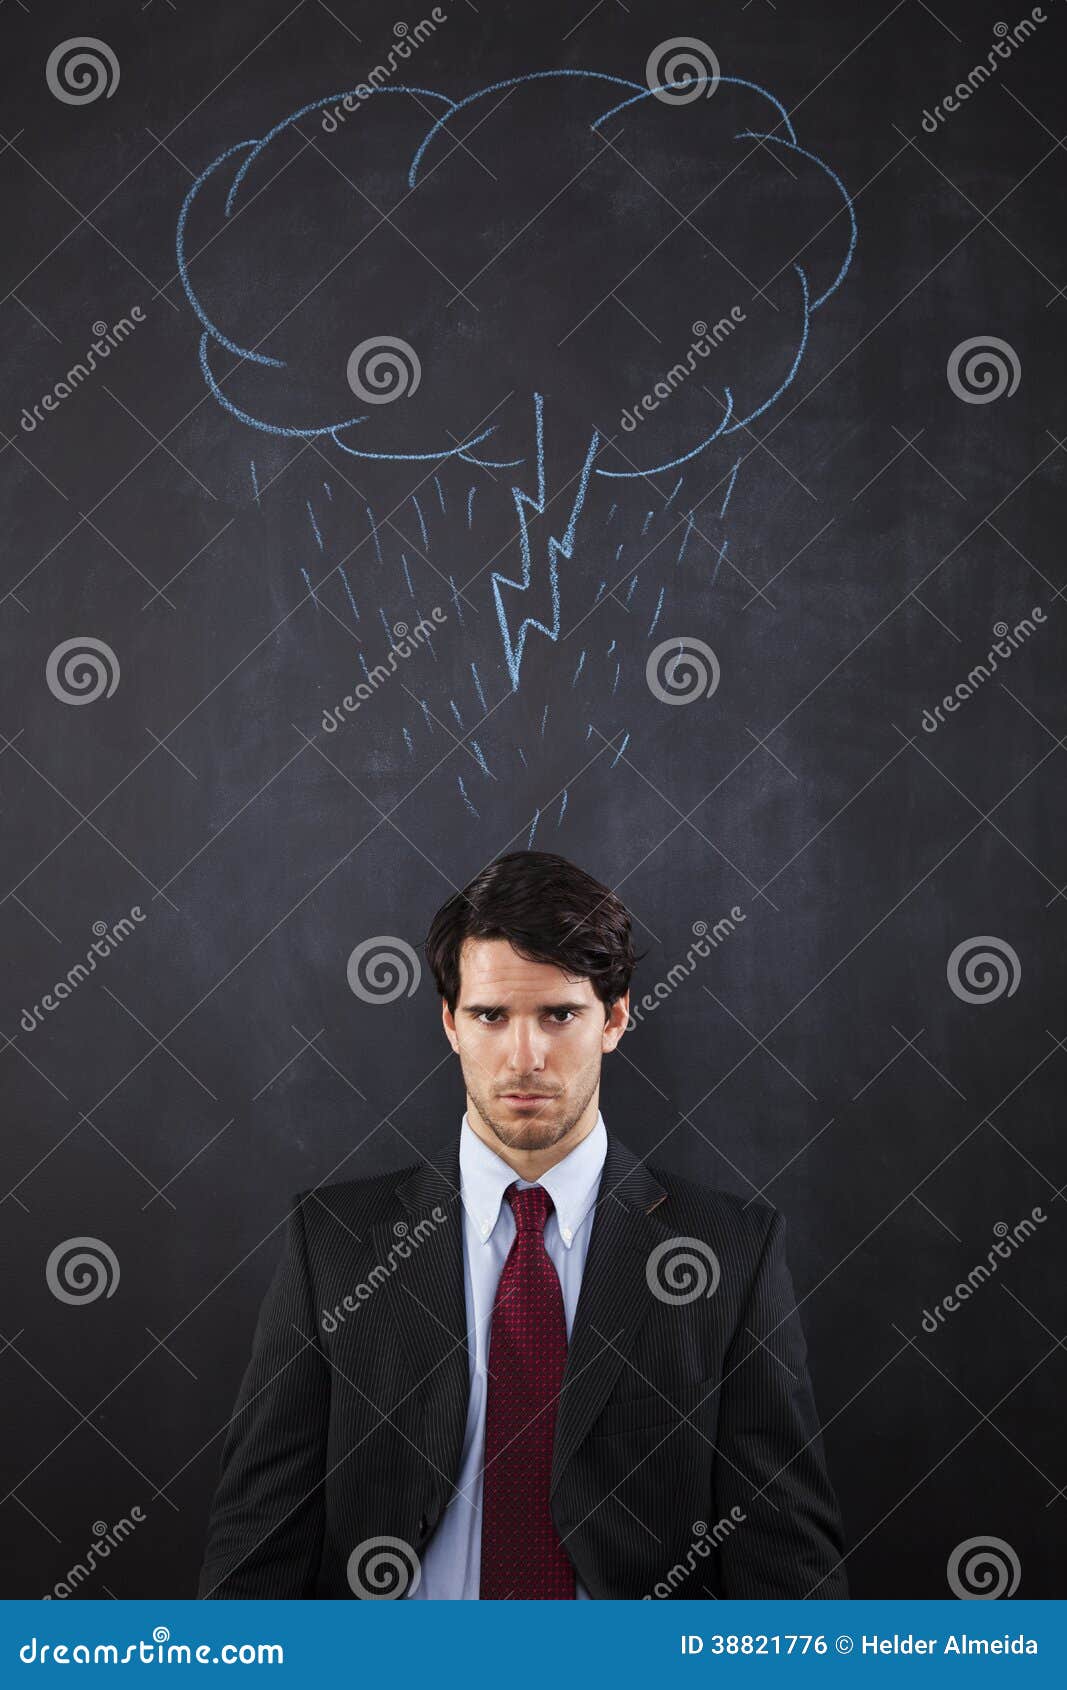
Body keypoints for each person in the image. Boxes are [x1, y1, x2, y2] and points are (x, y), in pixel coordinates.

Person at [198, 850, 847, 1599]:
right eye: (490, 1016)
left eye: (559, 1015)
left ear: (615, 1018)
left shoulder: (730, 1252)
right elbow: (256, 1545)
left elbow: (785, 1559)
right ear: (450, 1024)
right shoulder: (334, 1246)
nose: (525, 1055)